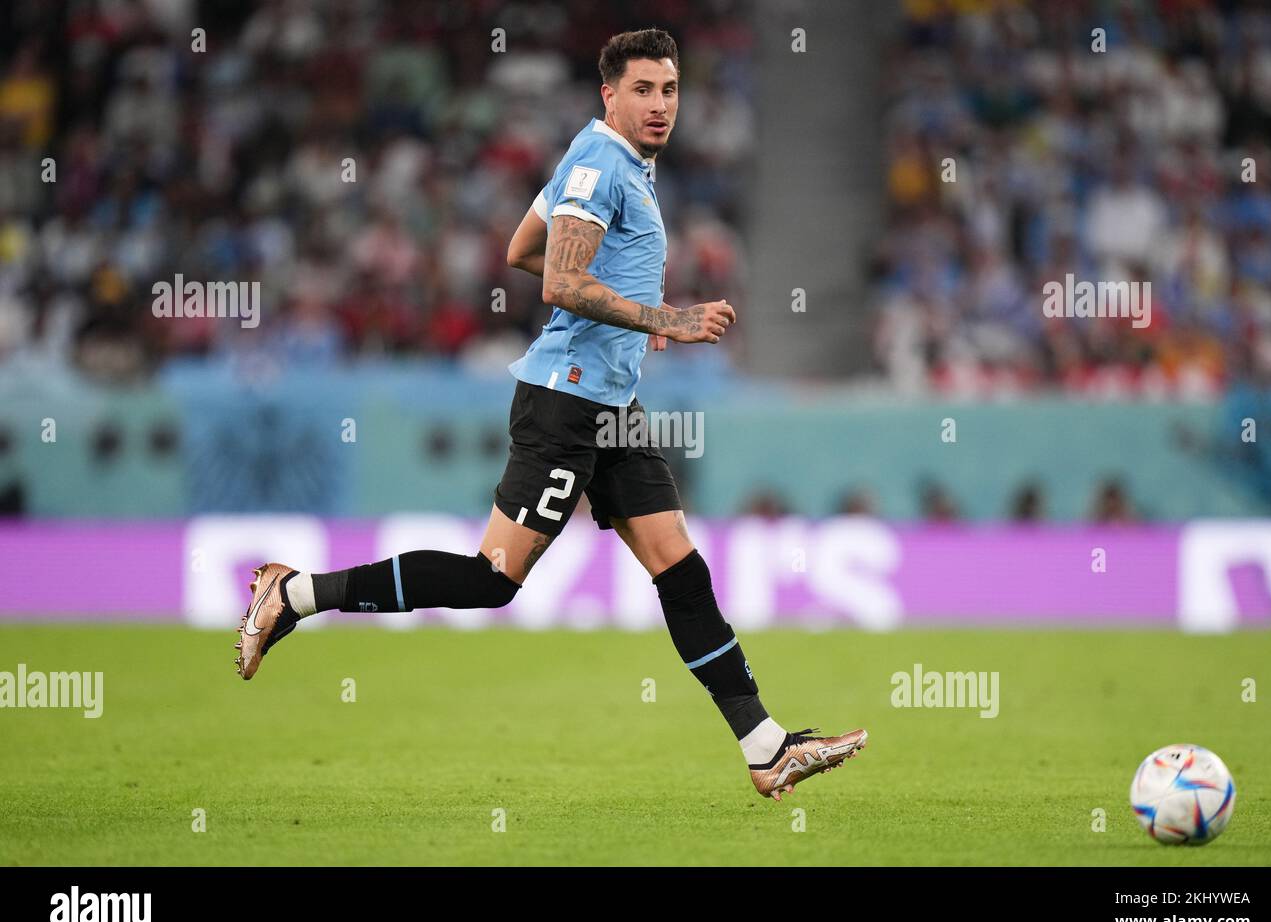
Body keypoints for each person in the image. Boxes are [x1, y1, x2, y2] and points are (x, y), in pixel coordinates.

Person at [234, 28, 866, 801]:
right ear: (610, 94)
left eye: (669, 90)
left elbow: (520, 246)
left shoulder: (610, 160)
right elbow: (558, 281)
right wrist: (662, 320)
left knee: (682, 567)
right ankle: (294, 593)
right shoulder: (602, 162)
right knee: (494, 578)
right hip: (566, 400)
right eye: (643, 89)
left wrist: (634, 316)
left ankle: (766, 749)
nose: (660, 104)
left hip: (610, 404)